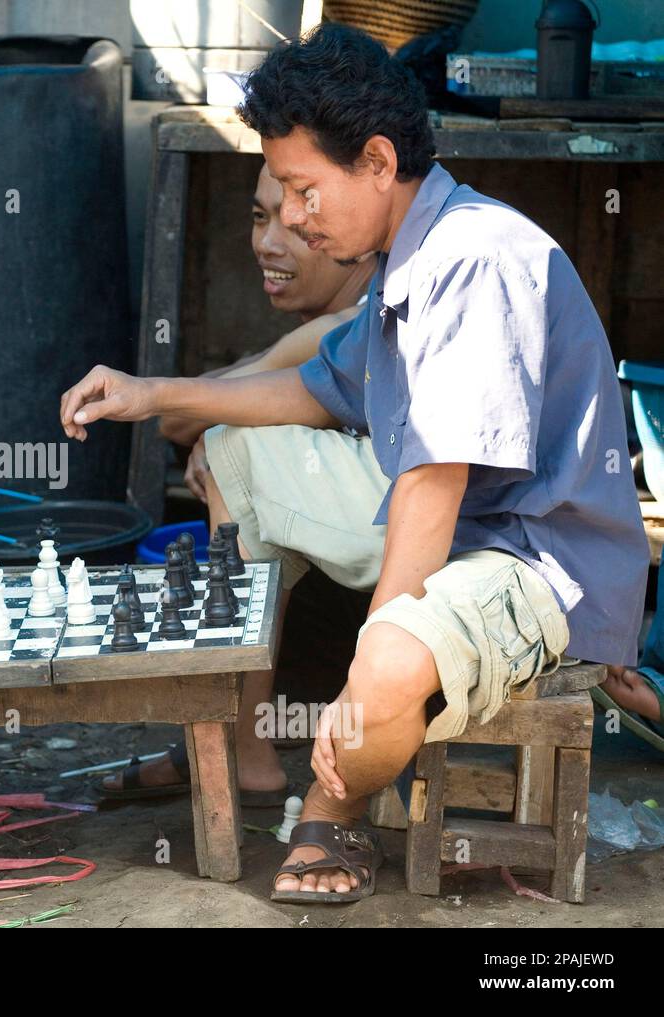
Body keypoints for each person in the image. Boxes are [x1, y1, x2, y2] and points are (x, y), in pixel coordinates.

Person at [60, 24, 647, 901]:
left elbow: (431, 484)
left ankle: (332, 815)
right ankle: (250, 748)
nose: (290, 216)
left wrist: (368, 663)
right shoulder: (406, 253)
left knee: (380, 671)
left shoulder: (472, 258)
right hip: (462, 531)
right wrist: (155, 393)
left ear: (377, 161)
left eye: (303, 189)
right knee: (236, 456)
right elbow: (315, 392)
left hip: (536, 560)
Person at [102, 161, 375, 804]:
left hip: (431, 561)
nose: (271, 242)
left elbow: (180, 413)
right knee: (234, 444)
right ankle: (240, 740)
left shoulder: (350, 321)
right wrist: (233, 406)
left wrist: (223, 419)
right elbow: (196, 411)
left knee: (233, 449)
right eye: (260, 216)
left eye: (298, 220)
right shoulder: (337, 325)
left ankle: (243, 748)